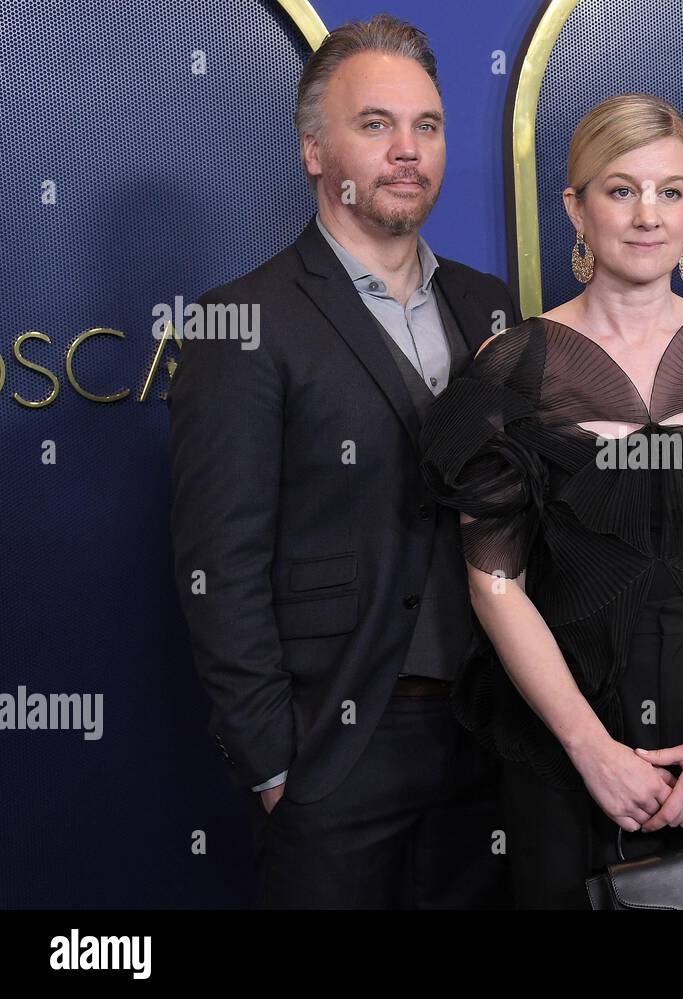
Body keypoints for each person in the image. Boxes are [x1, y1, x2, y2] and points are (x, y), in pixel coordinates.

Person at [421, 94, 683, 909]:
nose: (648, 215)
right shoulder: (510, 366)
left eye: (671, 190)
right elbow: (494, 581)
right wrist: (591, 750)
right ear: (574, 208)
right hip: (574, 744)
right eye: (621, 190)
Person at [168, 14, 517, 908]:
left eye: (427, 127)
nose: (408, 151)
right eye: (377, 126)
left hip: (492, 737)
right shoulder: (241, 322)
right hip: (335, 747)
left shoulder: (490, 307)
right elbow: (220, 562)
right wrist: (274, 762)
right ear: (315, 150)